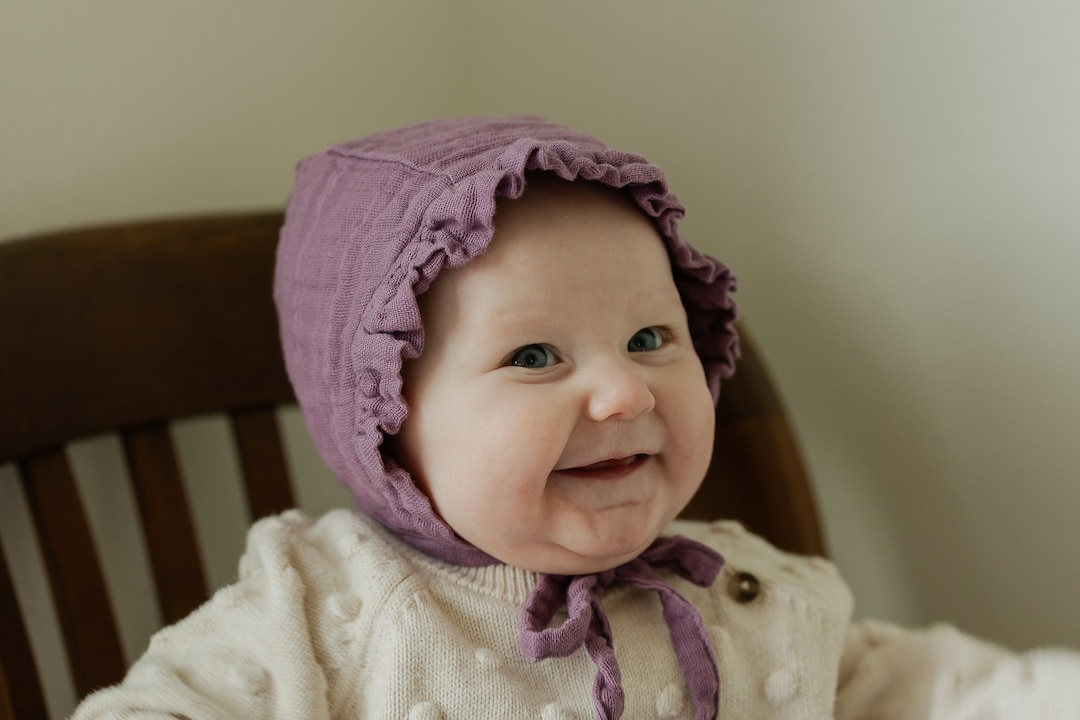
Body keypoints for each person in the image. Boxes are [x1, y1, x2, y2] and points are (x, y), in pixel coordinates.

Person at [73, 116, 1079, 719]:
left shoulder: (736, 590)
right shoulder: (322, 611)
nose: (625, 393)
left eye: (650, 338)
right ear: (385, 416)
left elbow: (926, 693)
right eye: (535, 357)